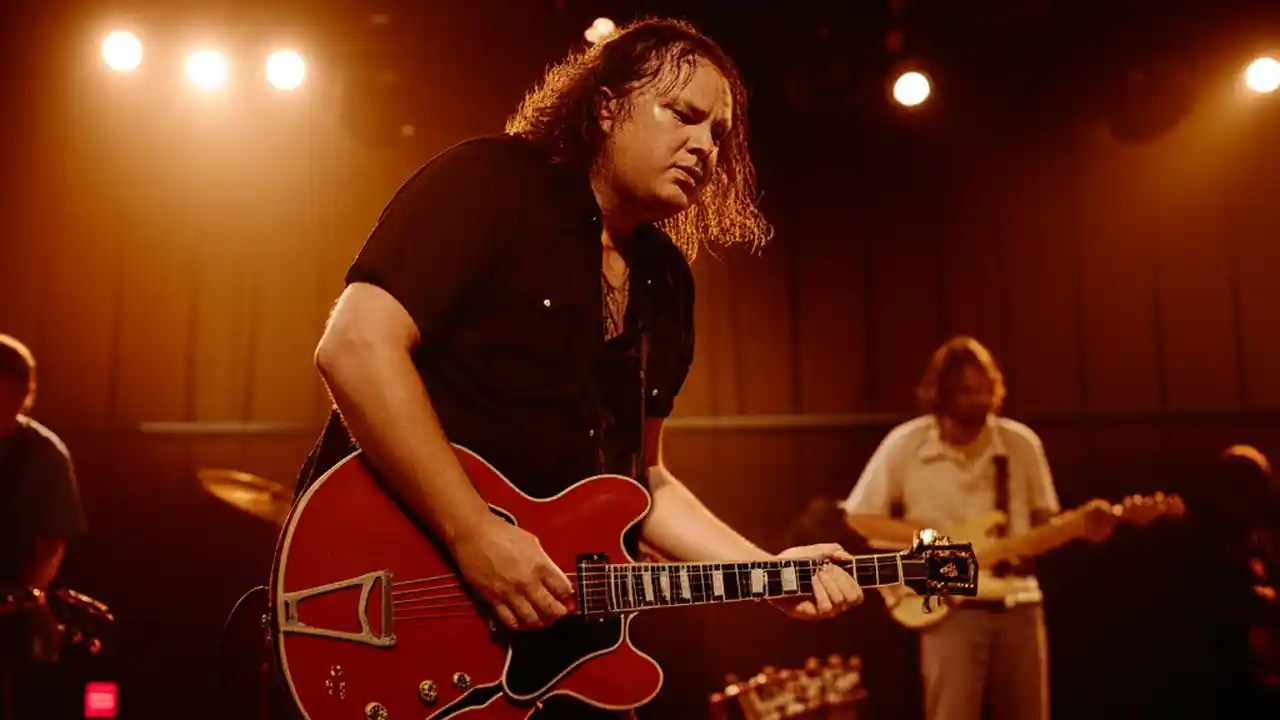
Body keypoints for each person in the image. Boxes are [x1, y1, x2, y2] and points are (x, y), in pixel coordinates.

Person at [296, 18, 863, 718]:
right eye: (682, 115)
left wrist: (768, 572)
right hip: (399, 593)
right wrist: (473, 534)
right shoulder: (490, 182)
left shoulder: (665, 281)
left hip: (548, 655)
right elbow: (354, 348)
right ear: (606, 105)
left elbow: (644, 482)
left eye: (718, 134)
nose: (705, 146)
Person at [842, 336, 1112, 720]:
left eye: (985, 390)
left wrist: (1079, 528)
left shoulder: (1019, 444)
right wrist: (934, 538)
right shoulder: (905, 444)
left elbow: (1044, 524)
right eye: (967, 391)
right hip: (950, 608)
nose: (978, 401)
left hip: (1019, 602)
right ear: (940, 394)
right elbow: (859, 516)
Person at [0, 334, 87, 719]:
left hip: (11, 610)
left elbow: (53, 540)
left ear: (22, 394)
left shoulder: (44, 454)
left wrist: (24, 595)